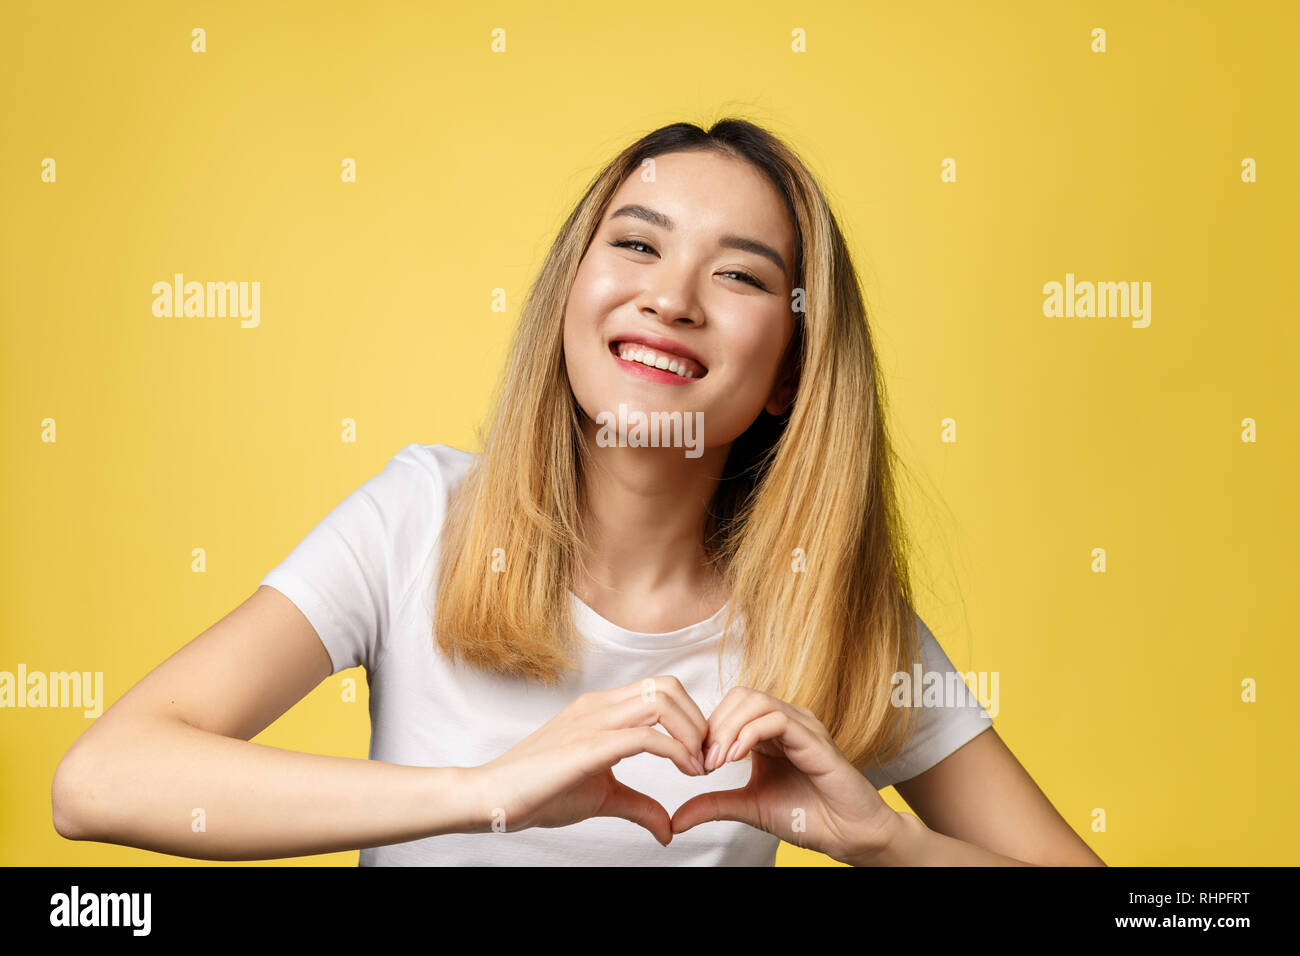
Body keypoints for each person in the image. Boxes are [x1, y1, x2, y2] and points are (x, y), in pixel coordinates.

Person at [51, 118, 1104, 866]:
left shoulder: (830, 615)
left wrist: (889, 844)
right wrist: (485, 793)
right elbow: (101, 781)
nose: (667, 296)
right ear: (571, 296)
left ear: (790, 368)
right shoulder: (418, 517)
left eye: (736, 275)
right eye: (636, 244)